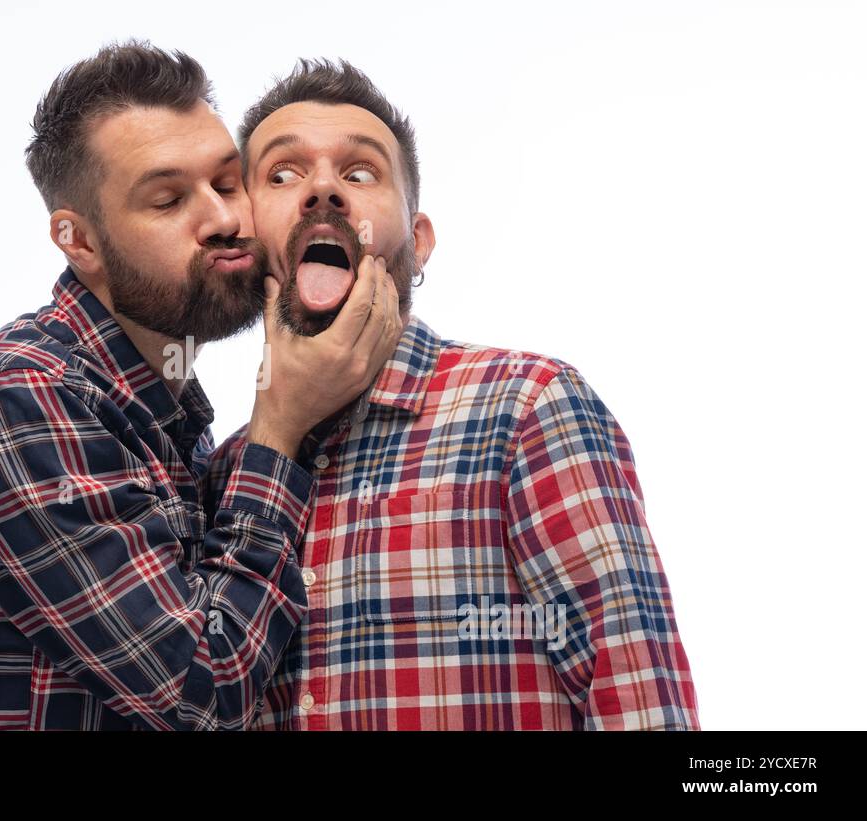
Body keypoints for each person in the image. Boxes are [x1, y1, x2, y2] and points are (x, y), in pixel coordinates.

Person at [0, 43, 402, 730]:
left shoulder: (165, 408)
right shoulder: (17, 400)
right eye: (168, 199)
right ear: (81, 242)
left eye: (227, 180)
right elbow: (202, 692)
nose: (223, 219)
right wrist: (280, 428)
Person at [201, 59, 700, 730]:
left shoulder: (527, 408)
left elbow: (637, 696)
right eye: (283, 175)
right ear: (247, 236)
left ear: (419, 240)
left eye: (360, 172)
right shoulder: (224, 480)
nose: (323, 189)